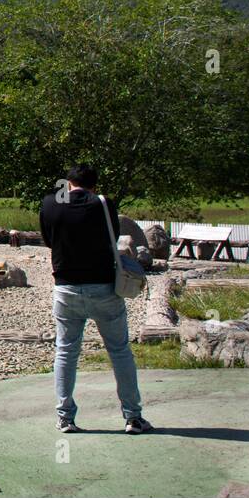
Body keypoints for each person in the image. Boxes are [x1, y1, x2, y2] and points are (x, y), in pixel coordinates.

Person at [40, 165, 151, 435]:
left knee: (66, 352)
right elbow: (112, 236)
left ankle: (65, 417)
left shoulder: (49, 204)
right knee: (120, 351)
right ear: (94, 186)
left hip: (66, 288)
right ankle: (132, 417)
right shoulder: (103, 204)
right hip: (104, 287)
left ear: (68, 183)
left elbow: (48, 241)